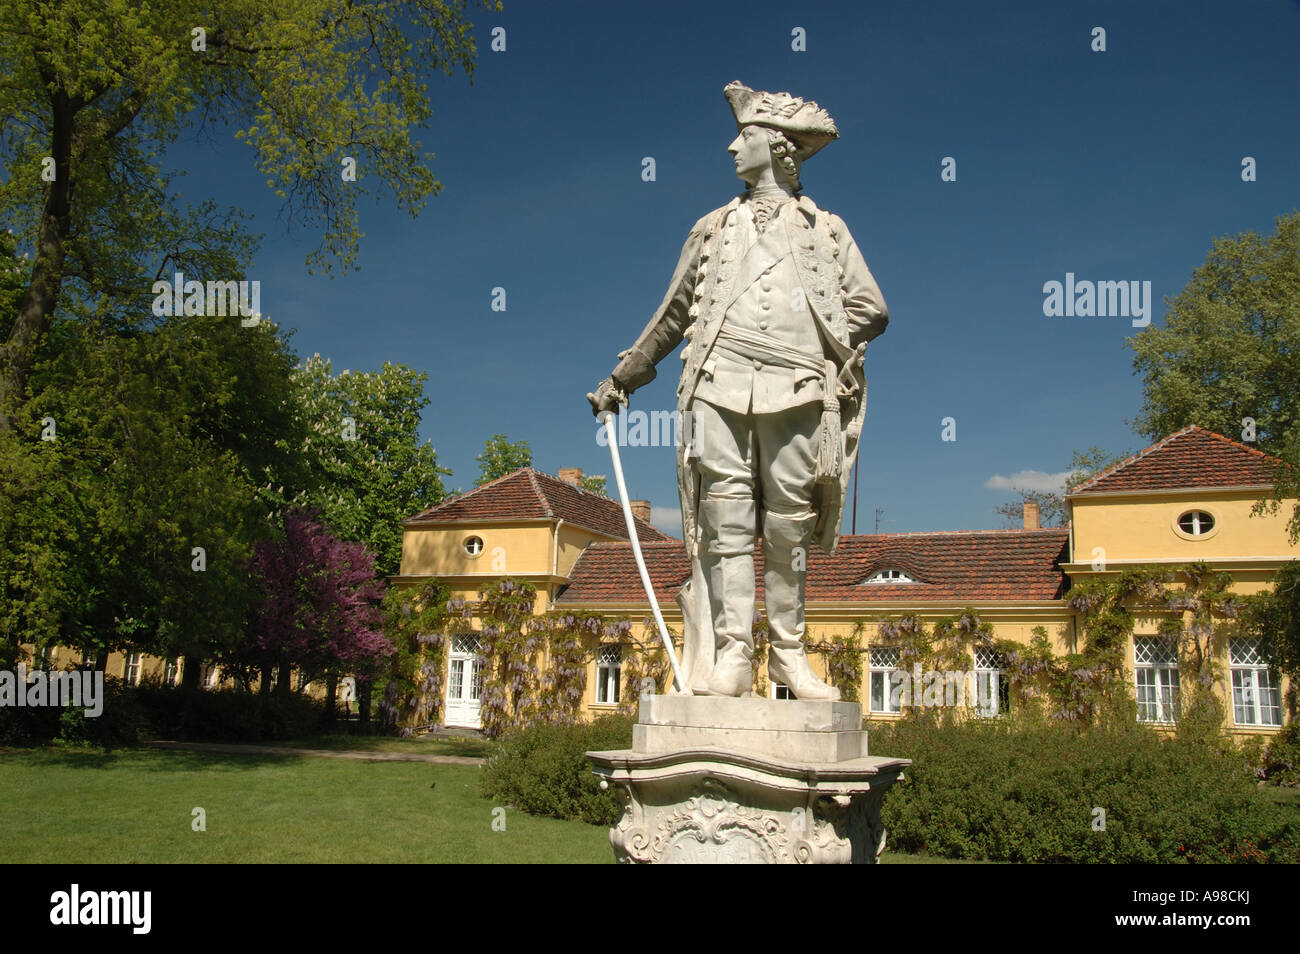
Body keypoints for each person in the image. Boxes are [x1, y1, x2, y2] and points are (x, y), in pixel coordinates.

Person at [588, 81, 889, 699]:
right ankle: (731, 655)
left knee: (787, 527)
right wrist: (624, 376)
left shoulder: (825, 228)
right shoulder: (712, 227)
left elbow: (870, 307)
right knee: (723, 525)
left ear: (779, 149)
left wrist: (821, 342)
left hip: (801, 386)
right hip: (716, 386)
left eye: (744, 136)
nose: (731, 147)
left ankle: (789, 659)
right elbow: (673, 313)